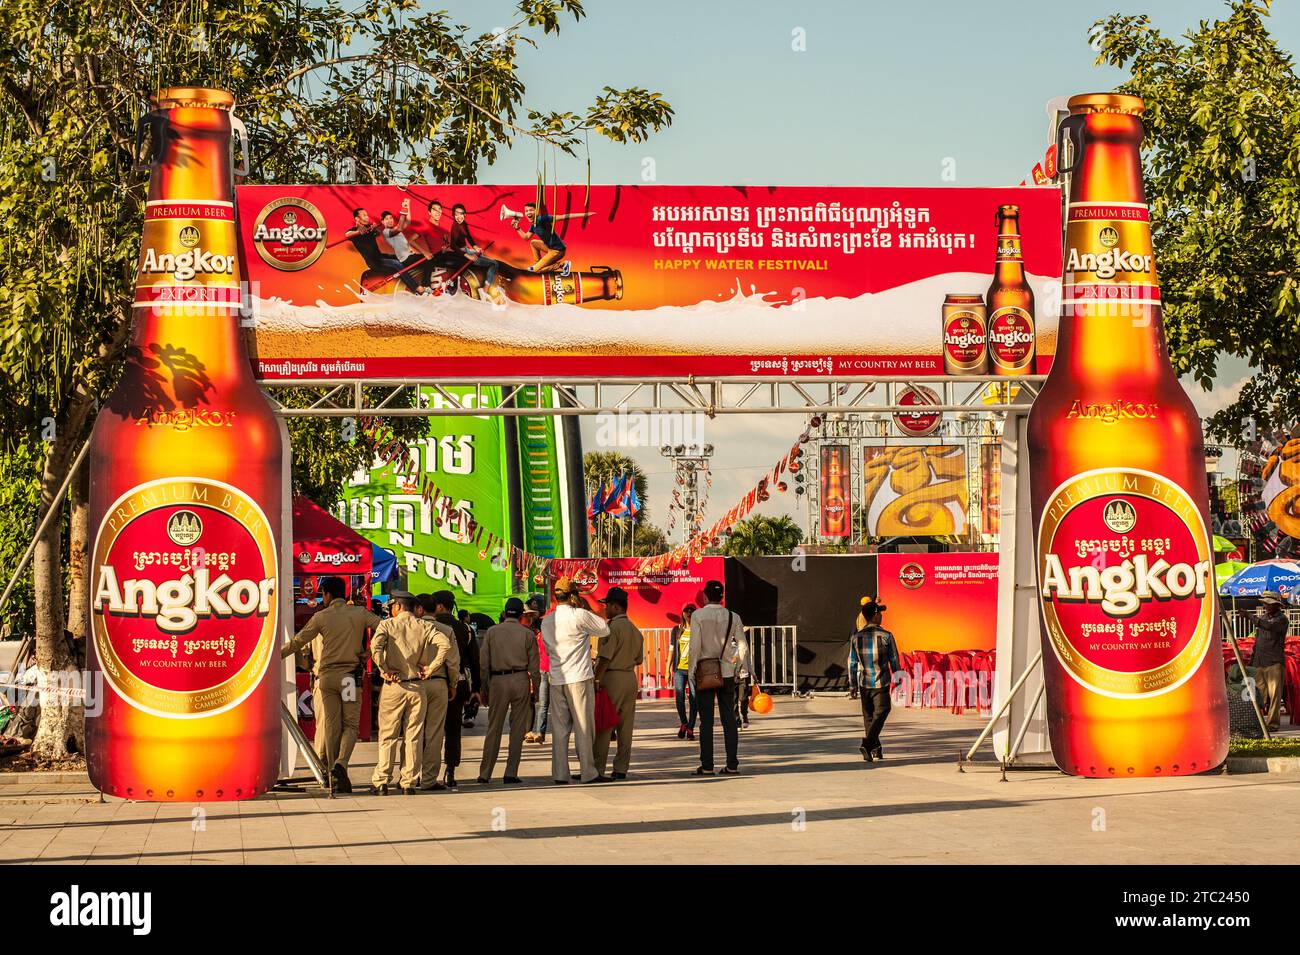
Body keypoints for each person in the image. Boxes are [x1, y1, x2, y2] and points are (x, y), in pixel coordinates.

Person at [279, 576, 382, 794]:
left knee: (331, 726)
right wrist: (370, 652)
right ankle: (340, 765)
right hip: (348, 677)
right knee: (350, 725)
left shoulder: (321, 616)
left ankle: (333, 776)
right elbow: (384, 629)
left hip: (325, 678)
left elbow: (298, 642)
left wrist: (273, 657)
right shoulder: (360, 613)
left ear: (327, 594)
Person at [369, 593, 448, 795]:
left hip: (394, 686)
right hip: (417, 686)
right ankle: (408, 782)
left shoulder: (387, 625)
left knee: (388, 735)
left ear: (397, 606)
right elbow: (444, 645)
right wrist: (432, 667)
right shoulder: (425, 626)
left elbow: (375, 647)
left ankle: (382, 781)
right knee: (413, 735)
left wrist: (383, 668)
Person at [540, 576, 611, 784]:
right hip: (579, 677)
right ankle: (588, 772)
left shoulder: (547, 620)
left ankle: (560, 774)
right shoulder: (579, 615)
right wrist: (584, 608)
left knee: (560, 729)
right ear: (573, 596)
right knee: (583, 726)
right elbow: (604, 629)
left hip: (557, 678)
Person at [476, 597, 541, 784]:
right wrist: (535, 689)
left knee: (494, 728)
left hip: (498, 679)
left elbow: (484, 663)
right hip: (520, 678)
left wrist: (484, 686)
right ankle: (510, 772)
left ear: (504, 613)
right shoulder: (527, 634)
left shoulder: (492, 632)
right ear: (521, 614)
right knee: (518, 728)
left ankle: (485, 773)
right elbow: (534, 667)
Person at [688, 580, 748, 776]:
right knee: (729, 719)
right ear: (721, 596)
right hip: (728, 672)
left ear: (705, 596)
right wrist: (738, 666)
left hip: (705, 673)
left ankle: (707, 765)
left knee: (706, 721)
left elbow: (695, 645)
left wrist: (691, 669)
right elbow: (743, 646)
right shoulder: (733, 616)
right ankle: (732, 764)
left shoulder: (698, 615)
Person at [592, 587, 644, 780]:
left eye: (607, 606)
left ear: (615, 606)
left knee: (604, 725)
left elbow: (605, 658)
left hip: (611, 677)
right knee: (625, 726)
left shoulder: (611, 628)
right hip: (629, 677)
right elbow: (639, 659)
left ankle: (597, 768)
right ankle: (621, 767)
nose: (605, 609)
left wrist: (596, 679)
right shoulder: (635, 630)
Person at [431, 590, 479, 790]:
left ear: (440, 606)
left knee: (430, 730)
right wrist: (476, 688)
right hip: (458, 683)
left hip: (433, 681)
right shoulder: (466, 629)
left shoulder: (428, 626)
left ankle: (426, 771)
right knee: (453, 729)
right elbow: (475, 661)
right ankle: (450, 770)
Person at [414, 593, 458, 792]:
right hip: (439, 682)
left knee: (413, 731)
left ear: (419, 609)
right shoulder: (446, 630)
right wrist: (453, 684)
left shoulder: (411, 628)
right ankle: (429, 778)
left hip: (414, 683)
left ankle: (409, 776)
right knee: (434, 733)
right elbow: (453, 661)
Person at [850, 596, 899, 763]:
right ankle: (868, 743)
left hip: (864, 682)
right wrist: (898, 677)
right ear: (875, 615)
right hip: (881, 680)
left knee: (869, 716)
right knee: (883, 710)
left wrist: (852, 684)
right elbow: (894, 659)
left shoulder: (856, 637)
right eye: (880, 613)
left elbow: (852, 662)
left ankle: (876, 749)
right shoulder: (886, 635)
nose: (882, 616)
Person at [345, 208, 427, 294]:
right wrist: (358, 232)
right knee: (396, 263)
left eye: (367, 215)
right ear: (357, 219)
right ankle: (417, 288)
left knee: (400, 259)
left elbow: (377, 232)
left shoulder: (369, 228)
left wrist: (373, 228)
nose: (367, 217)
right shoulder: (353, 231)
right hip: (374, 262)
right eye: (364, 215)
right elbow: (347, 235)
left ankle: (413, 279)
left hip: (380, 256)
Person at [510, 201, 588, 273]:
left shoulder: (542, 219)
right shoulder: (533, 225)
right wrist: (517, 228)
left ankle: (562, 265)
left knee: (536, 271)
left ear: (536, 211)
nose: (528, 212)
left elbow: (563, 217)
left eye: (531, 210)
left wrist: (584, 215)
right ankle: (538, 264)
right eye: (526, 211)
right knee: (533, 242)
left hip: (557, 251)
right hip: (550, 248)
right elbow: (526, 237)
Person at [448, 203, 504, 302]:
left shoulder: (463, 224)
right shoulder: (455, 227)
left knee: (481, 254)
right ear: (453, 215)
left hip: (466, 249)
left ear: (465, 215)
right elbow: (453, 245)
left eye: (461, 214)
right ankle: (484, 289)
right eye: (456, 214)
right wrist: (467, 256)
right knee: (494, 264)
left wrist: (475, 247)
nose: (459, 217)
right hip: (461, 254)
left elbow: (468, 237)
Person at [1253, 592, 1289, 732]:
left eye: (1268, 603)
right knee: (1259, 695)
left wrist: (1250, 617)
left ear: (1276, 605)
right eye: (1265, 603)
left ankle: (1272, 724)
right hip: (1260, 661)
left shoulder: (1282, 619)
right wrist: (1252, 659)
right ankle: (1258, 722)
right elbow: (1258, 639)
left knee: (1274, 696)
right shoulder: (1263, 617)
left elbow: (1268, 626)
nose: (1265, 606)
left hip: (1274, 662)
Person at [380, 197, 432, 286]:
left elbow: (407, 222)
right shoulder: (386, 232)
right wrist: (403, 208)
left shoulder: (396, 229)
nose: (390, 220)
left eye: (391, 218)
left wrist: (408, 206)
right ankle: (425, 287)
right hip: (405, 259)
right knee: (428, 262)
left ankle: (425, 286)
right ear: (382, 222)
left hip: (410, 255)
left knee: (430, 259)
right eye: (386, 219)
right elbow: (400, 227)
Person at [523, 593, 550, 744]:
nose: (531, 616)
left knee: (538, 702)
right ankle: (530, 731)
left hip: (542, 668)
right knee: (534, 702)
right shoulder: (527, 630)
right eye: (528, 614)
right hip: (536, 668)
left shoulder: (541, 629)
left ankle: (536, 731)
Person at [669, 604, 697, 739]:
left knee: (694, 699)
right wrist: (668, 667)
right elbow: (671, 650)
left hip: (694, 670)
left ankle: (691, 727)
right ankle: (684, 723)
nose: (689, 613)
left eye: (692, 611)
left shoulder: (698, 630)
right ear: (682, 613)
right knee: (679, 698)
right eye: (687, 611)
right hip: (679, 669)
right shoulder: (677, 630)